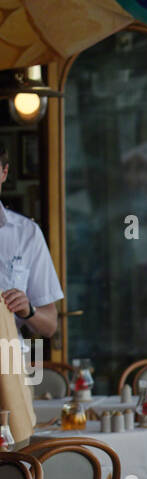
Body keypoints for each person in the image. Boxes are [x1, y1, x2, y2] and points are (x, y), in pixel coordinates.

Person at [0, 142, 60, 340]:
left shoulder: (27, 234)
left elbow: (50, 326)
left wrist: (28, 310)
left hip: (9, 363)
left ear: (4, 172)